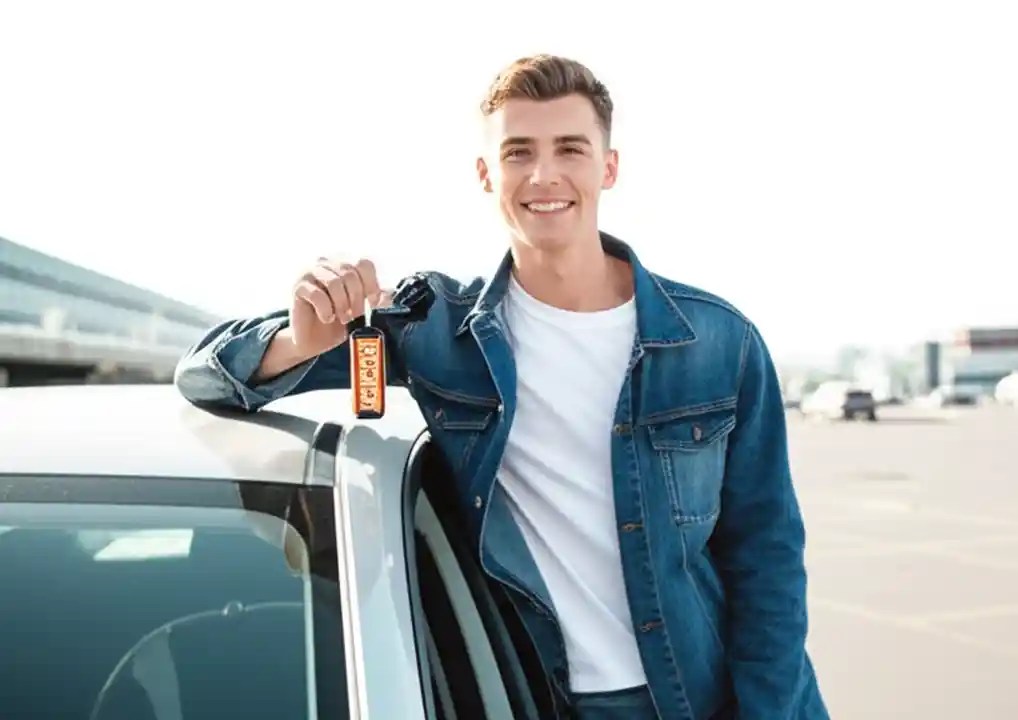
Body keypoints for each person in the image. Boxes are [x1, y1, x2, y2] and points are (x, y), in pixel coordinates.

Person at [174, 54, 828, 720]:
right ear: (486, 175)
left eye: (570, 148)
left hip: (707, 698)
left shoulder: (717, 343)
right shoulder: (438, 337)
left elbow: (767, 558)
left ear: (608, 167)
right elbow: (208, 378)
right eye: (518, 153)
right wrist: (300, 338)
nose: (544, 176)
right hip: (543, 698)